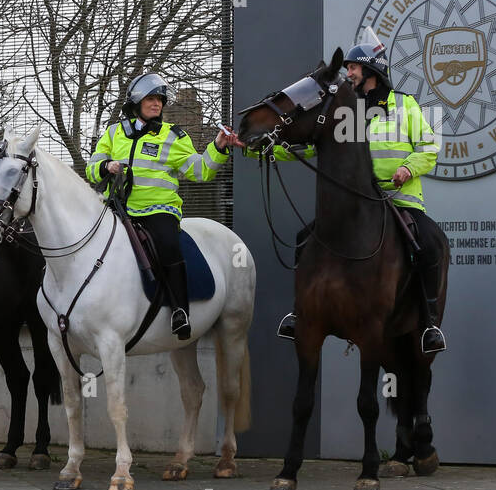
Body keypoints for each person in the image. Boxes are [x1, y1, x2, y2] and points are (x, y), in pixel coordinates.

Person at [272, 42, 446, 354]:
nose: (348, 73)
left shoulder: (405, 106)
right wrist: (273, 148)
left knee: (431, 243)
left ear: (371, 70)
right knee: (304, 238)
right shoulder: (348, 109)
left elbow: (430, 147)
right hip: (356, 203)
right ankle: (299, 313)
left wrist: (408, 167)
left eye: (352, 67)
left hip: (400, 199)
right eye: (348, 68)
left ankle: (430, 323)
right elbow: (314, 148)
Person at [85, 73, 238, 340]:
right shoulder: (113, 133)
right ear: (136, 101)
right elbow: (91, 170)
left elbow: (201, 171)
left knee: (168, 244)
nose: (157, 104)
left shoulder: (174, 136)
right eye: (151, 98)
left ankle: (180, 310)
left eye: (160, 100)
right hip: (117, 209)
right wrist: (105, 166)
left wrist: (218, 147)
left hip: (158, 210)